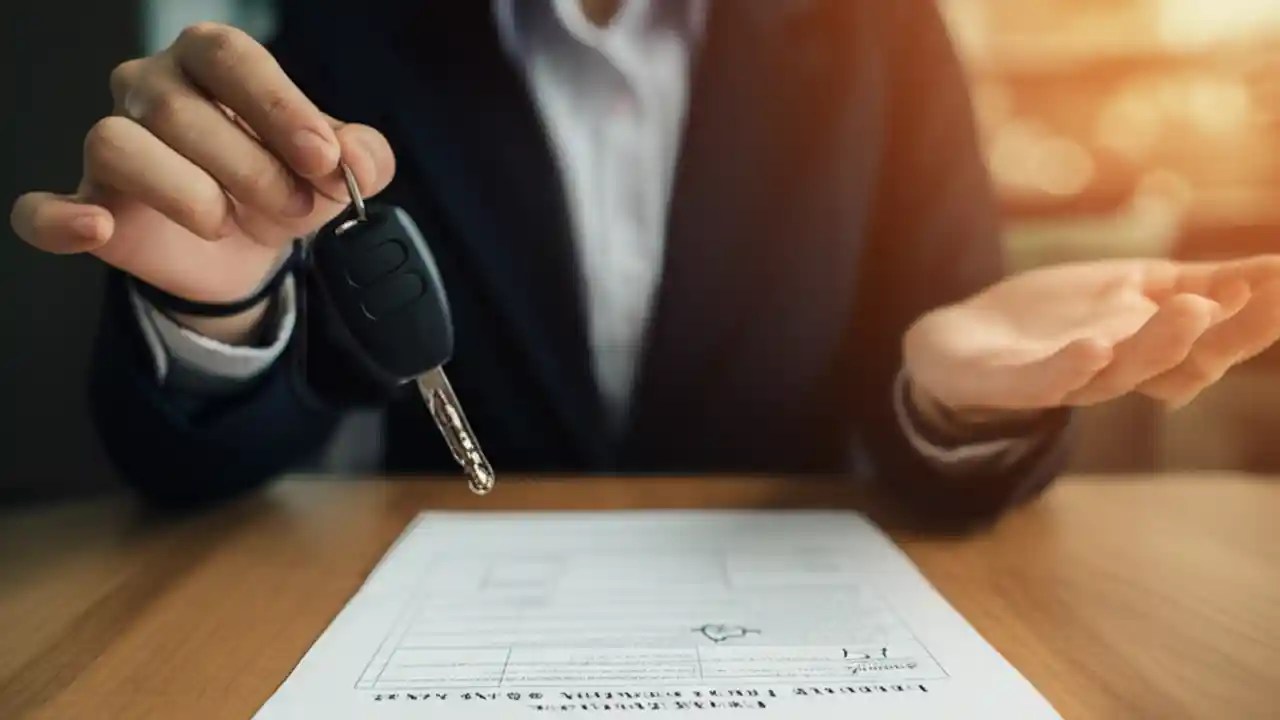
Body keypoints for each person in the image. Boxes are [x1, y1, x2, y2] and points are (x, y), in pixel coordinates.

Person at [11, 0, 1280, 520]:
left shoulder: (880, 36)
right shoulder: (350, 33)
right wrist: (226, 320)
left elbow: (946, 442)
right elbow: (188, 469)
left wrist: (951, 398)